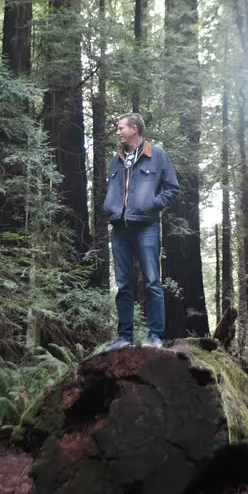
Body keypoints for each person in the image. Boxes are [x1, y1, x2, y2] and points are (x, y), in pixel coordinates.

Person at [101, 112, 180, 349]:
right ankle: (124, 337)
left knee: (152, 282)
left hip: (146, 226)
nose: (118, 131)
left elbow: (172, 188)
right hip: (119, 228)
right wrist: (111, 208)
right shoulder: (117, 159)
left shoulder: (157, 156)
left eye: (121, 127)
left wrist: (151, 205)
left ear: (134, 129)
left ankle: (155, 337)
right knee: (123, 285)